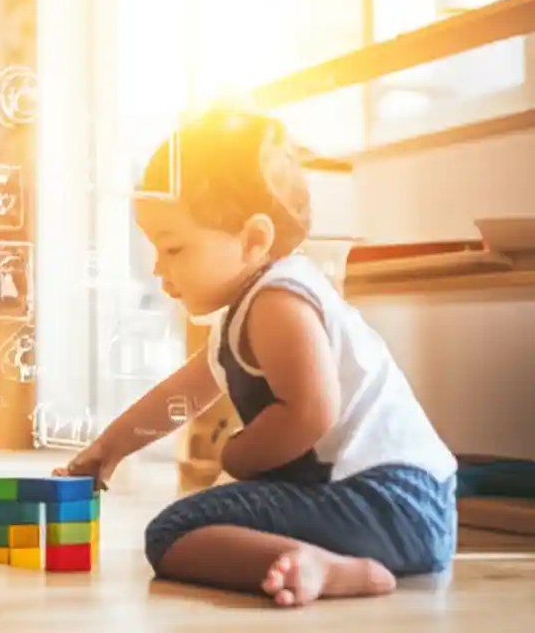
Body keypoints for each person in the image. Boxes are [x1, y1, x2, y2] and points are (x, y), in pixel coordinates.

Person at [56, 108, 458, 607]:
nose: (159, 269)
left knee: (175, 528)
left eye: (174, 248)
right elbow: (179, 396)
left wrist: (237, 457)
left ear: (253, 240)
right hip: (398, 505)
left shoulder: (279, 302)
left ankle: (324, 566)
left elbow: (311, 411)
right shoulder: (250, 308)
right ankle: (313, 557)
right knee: (189, 520)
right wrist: (107, 449)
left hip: (389, 500)